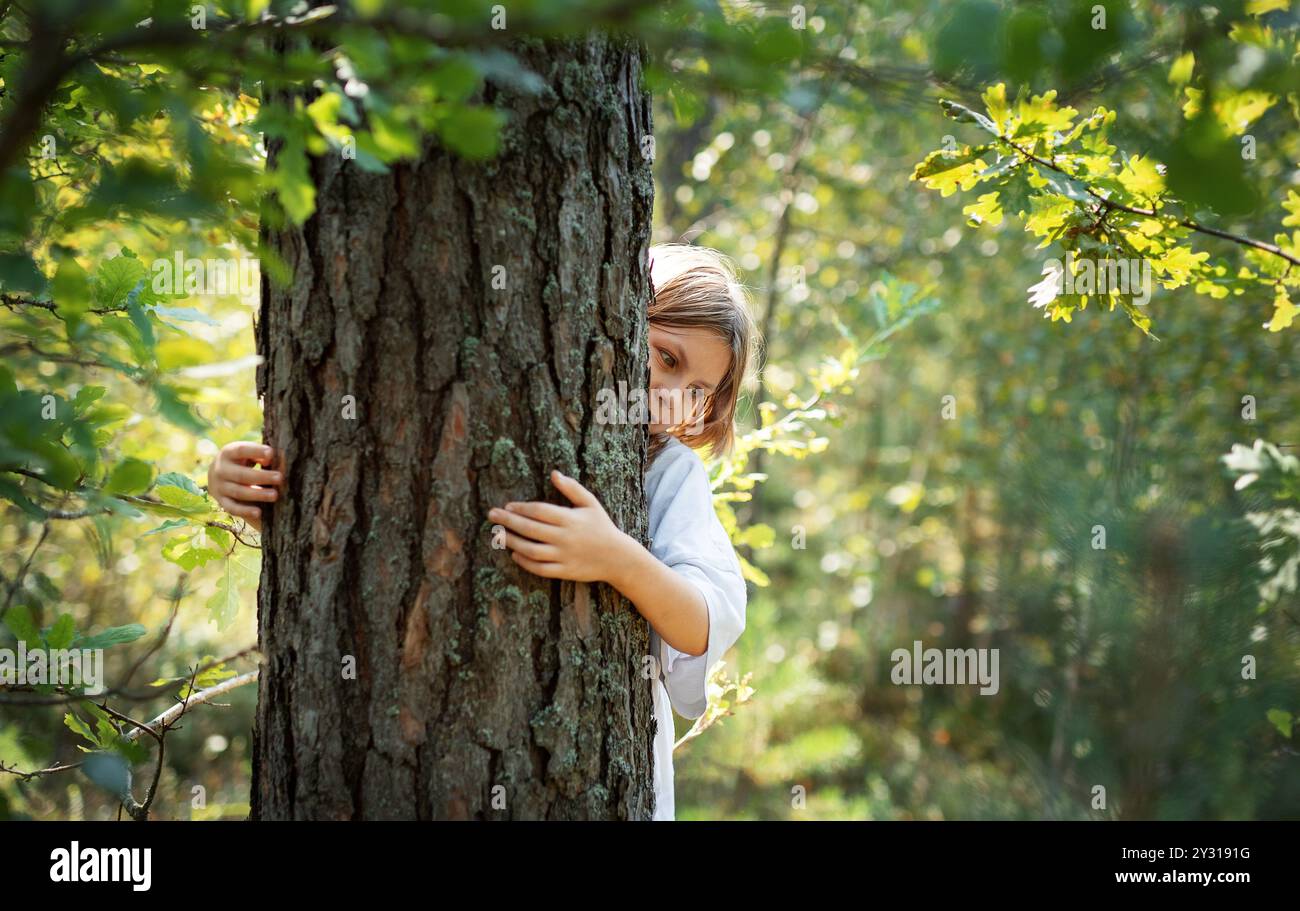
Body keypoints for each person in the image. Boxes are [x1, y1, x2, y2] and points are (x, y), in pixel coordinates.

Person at [207, 243, 759, 820]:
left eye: (698, 391)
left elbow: (706, 622)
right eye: (666, 359)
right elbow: (352, 513)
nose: (674, 398)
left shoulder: (668, 472)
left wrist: (618, 559)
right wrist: (243, 486)